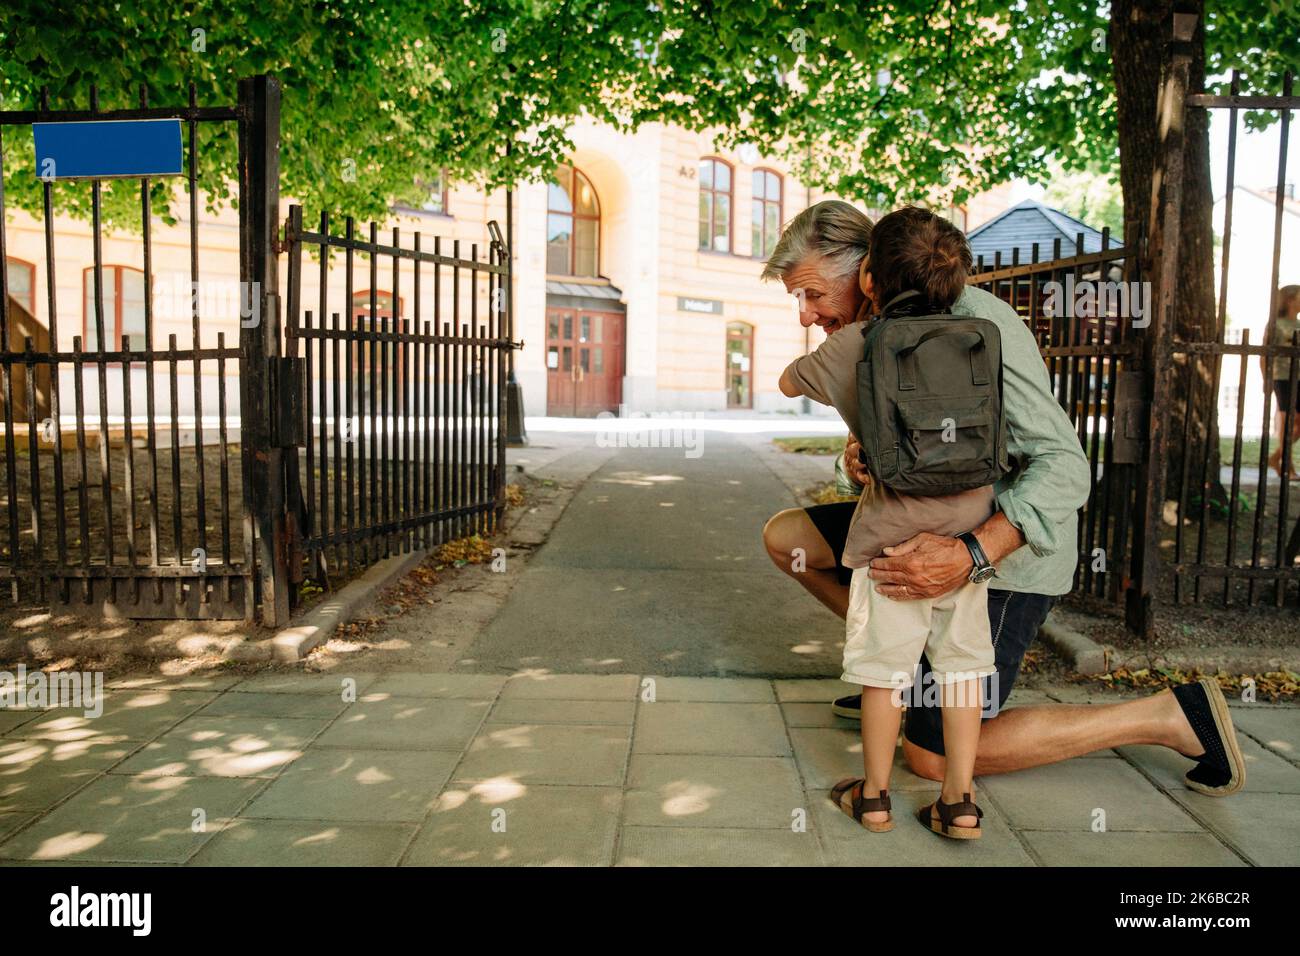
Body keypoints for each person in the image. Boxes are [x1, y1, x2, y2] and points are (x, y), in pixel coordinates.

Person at [760, 200, 1246, 798]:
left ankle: (1171, 715)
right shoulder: (866, 338)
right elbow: (889, 455)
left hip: (1004, 556)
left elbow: (1065, 465)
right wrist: (854, 463)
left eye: (811, 293)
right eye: (796, 300)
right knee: (790, 539)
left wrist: (971, 553)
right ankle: (906, 668)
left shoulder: (973, 322)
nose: (807, 316)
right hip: (919, 525)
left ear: (865, 270)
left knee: (932, 761)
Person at [780, 207, 996, 837]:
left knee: (882, 675)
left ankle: (874, 796)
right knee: (962, 672)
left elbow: (791, 382)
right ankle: (959, 801)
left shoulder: (852, 345)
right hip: (967, 538)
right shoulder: (979, 335)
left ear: (868, 280)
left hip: (888, 545)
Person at [1263, 284, 1300, 480]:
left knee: (1298, 426)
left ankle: (1275, 458)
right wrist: (1266, 380)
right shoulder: (1275, 324)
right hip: (1282, 378)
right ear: (1290, 299)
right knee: (1286, 423)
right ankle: (1288, 468)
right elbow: (1265, 355)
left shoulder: (1299, 324)